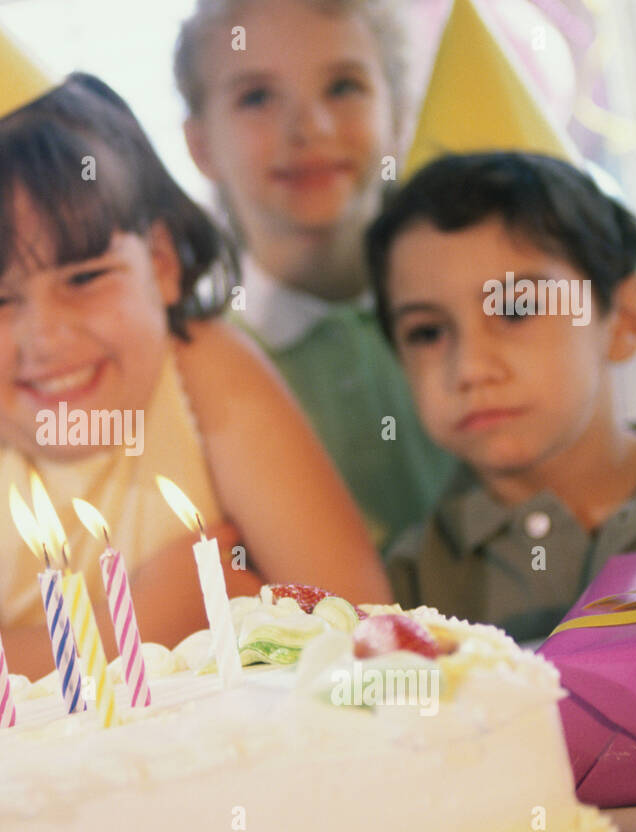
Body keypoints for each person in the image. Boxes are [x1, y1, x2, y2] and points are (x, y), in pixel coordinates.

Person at [0, 73, 390, 705]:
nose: (45, 336)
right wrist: (144, 623)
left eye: (86, 276)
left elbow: (367, 628)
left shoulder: (204, 370)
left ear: (161, 265)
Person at [366, 151, 636, 642]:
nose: (471, 368)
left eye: (517, 309)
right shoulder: (397, 593)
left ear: (625, 319)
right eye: (428, 332)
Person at [175, 0, 457, 547]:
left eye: (344, 86)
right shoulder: (201, 373)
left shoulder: (482, 314)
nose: (310, 126)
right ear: (201, 145)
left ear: (398, 115)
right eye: (256, 97)